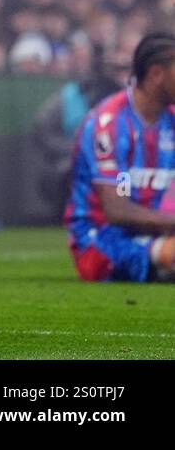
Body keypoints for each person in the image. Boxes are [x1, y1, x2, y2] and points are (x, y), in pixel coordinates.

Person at [63, 33, 175, 282]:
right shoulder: (109, 124)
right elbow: (117, 210)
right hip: (100, 240)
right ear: (157, 74)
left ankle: (160, 264)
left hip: (154, 234)